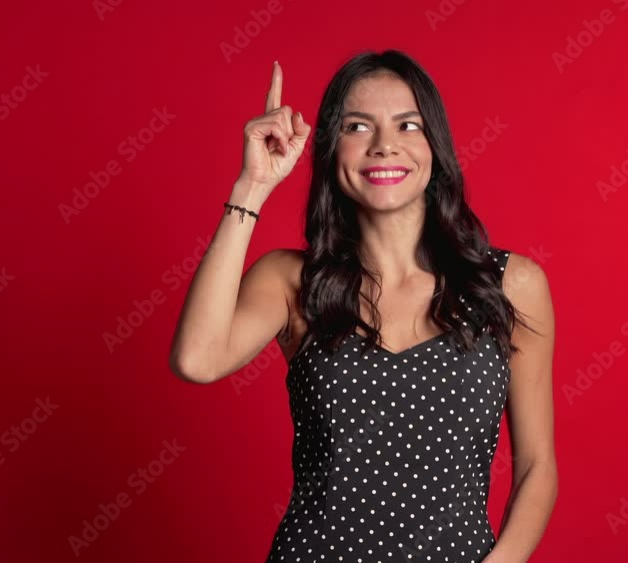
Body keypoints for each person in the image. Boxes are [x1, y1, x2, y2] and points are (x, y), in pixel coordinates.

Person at [168, 50, 557, 563]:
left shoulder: (510, 285)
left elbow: (536, 466)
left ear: (435, 146)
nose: (383, 145)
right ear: (332, 148)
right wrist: (253, 186)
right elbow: (197, 359)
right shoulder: (291, 280)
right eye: (357, 126)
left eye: (408, 125)